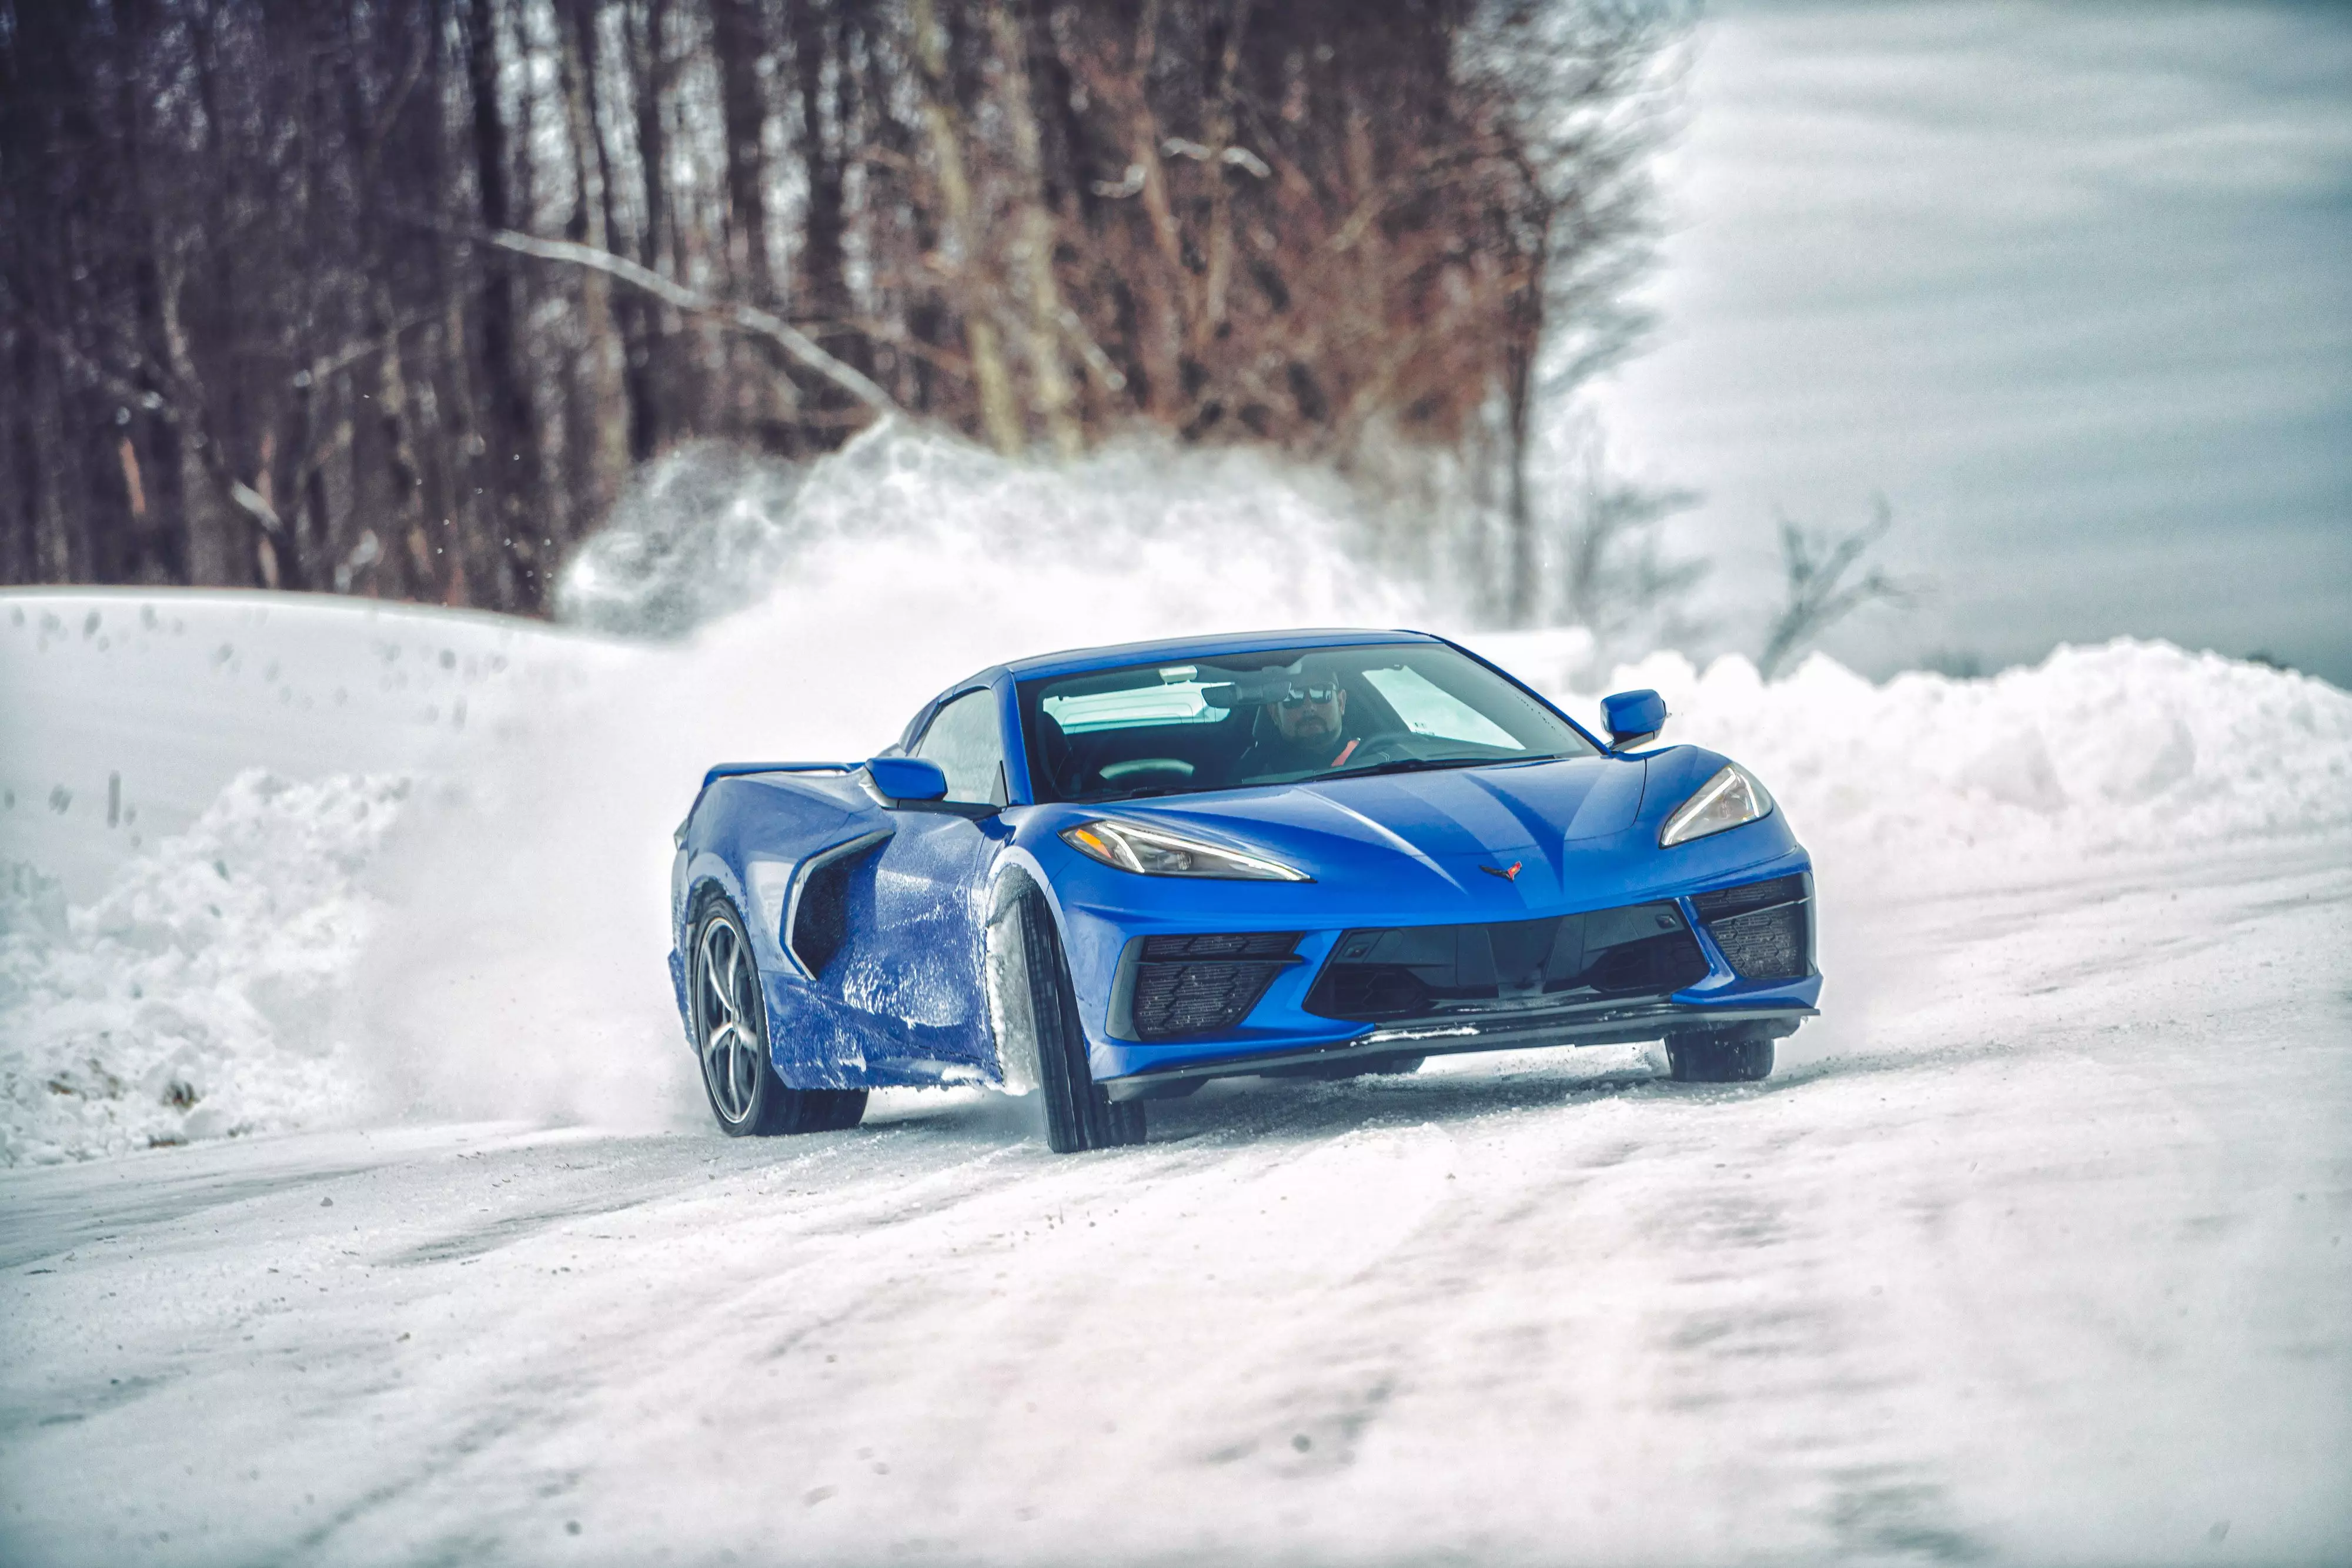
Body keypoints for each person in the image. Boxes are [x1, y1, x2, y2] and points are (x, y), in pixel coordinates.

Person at [1234, 673, 1362, 780]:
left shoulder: (1374, 756)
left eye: (1322, 693)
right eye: (1293, 697)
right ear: (1274, 713)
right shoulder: (1252, 774)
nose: (1309, 707)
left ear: (1341, 703)